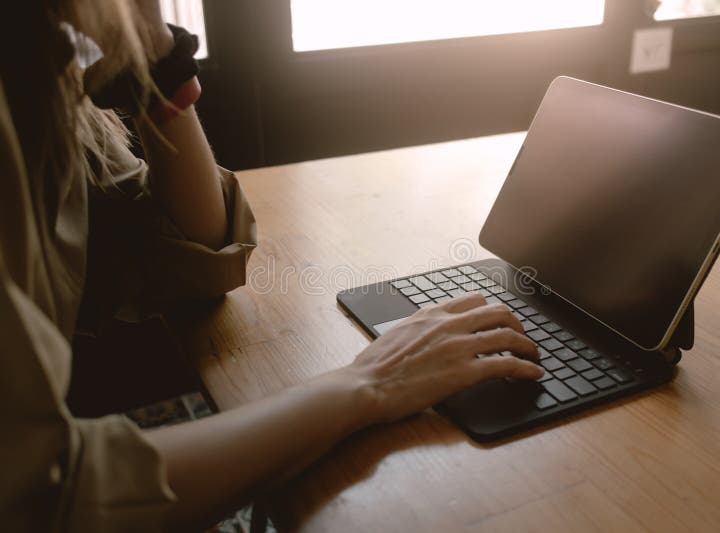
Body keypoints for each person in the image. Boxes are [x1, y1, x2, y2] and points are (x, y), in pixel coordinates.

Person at [0, 1, 544, 531]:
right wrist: (369, 382)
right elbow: (52, 499)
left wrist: (154, 56)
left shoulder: (45, 64)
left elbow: (195, 256)